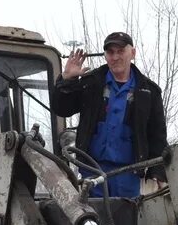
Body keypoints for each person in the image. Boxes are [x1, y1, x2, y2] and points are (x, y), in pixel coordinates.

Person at [54, 31, 167, 198]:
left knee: (126, 219)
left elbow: (157, 134)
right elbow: (62, 109)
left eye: (120, 51)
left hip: (129, 174)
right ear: (106, 56)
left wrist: (158, 172)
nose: (115, 57)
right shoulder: (90, 83)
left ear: (132, 53)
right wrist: (67, 80)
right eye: (110, 52)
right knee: (92, 220)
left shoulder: (149, 92)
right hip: (92, 170)